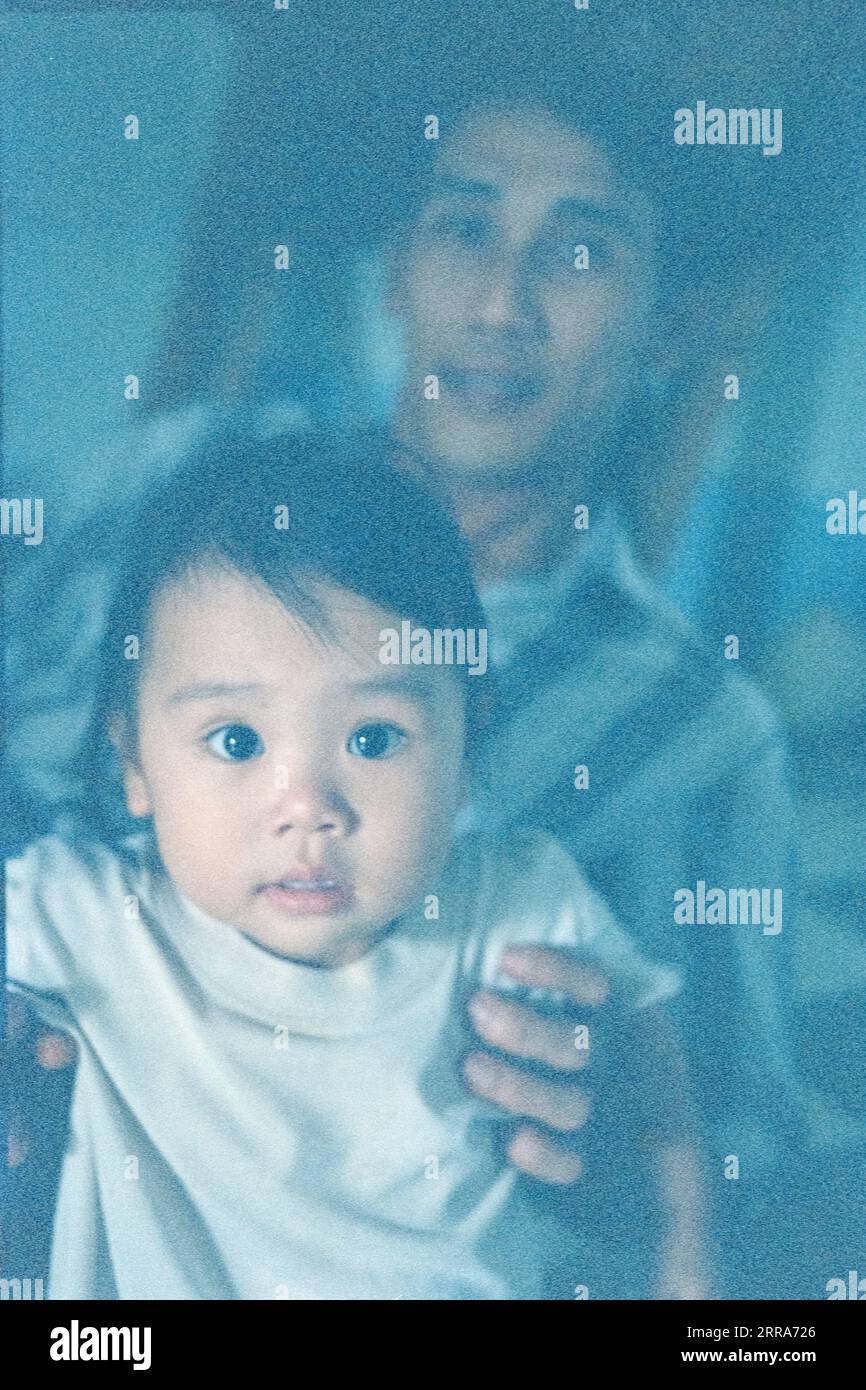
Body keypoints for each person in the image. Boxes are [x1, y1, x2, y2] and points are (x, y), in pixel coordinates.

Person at [6, 432, 687, 1299]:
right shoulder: (85, 921)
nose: (307, 806)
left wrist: (692, 1285)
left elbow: (652, 1064)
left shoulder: (509, 907)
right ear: (134, 760)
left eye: (374, 739)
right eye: (236, 740)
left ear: (466, 743)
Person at [377, 96, 814, 1294]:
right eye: (463, 229)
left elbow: (752, 1160)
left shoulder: (701, 735)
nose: (499, 304)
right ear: (396, 270)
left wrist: (628, 1148)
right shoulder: (168, 491)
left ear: (669, 326)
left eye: (576, 251)